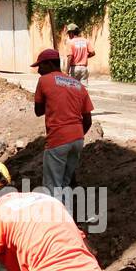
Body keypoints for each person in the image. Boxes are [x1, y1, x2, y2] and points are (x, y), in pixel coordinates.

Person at [32, 47, 93, 209]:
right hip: (77, 140)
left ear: (50, 64)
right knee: (65, 184)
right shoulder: (78, 85)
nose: (38, 71)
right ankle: (68, 220)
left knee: (52, 187)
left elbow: (38, 111)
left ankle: (54, 224)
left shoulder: (44, 81)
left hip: (58, 140)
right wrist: (76, 135)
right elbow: (88, 119)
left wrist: (52, 102)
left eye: (41, 66)